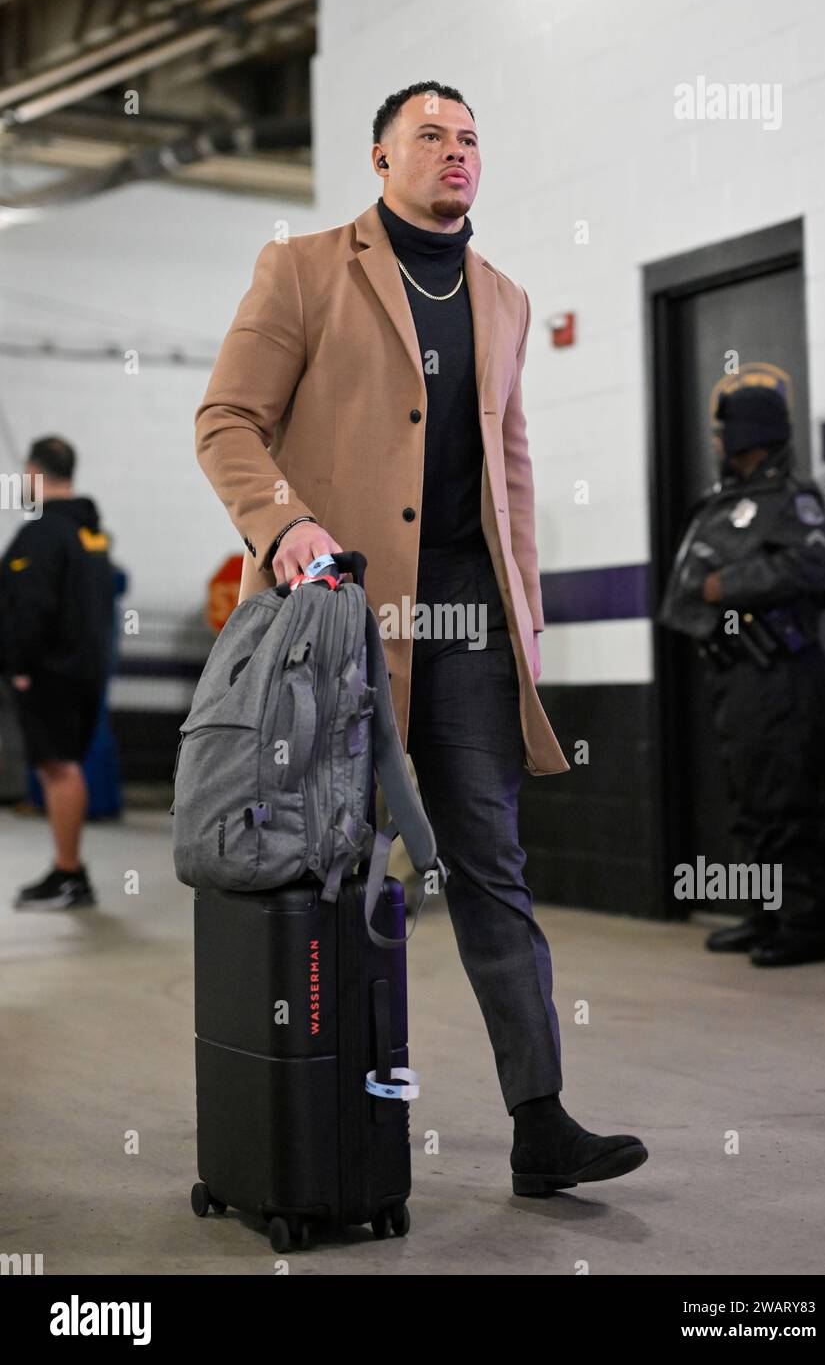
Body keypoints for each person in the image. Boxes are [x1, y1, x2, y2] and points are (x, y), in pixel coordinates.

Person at [195, 80, 648, 1195]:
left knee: (491, 866)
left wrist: (524, 617)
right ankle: (319, 1123)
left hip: (467, 626)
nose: (456, 151)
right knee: (331, 860)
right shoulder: (304, 269)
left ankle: (539, 1121)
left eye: (470, 138)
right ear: (379, 159)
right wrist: (283, 522)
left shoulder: (501, 297)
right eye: (431, 136)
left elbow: (514, 465)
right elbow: (226, 421)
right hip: (338, 622)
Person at [659, 379, 825, 966]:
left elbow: (815, 563)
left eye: (722, 431)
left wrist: (727, 585)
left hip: (779, 674)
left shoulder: (790, 496)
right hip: (736, 677)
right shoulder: (728, 497)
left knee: (785, 799)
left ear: (747, 435)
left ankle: (802, 925)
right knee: (751, 800)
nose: (715, 441)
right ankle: (766, 915)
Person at [0, 436, 115, 909]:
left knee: (59, 768)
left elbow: (30, 603)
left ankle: (69, 874)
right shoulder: (90, 533)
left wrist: (20, 665)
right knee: (63, 766)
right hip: (84, 670)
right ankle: (70, 870)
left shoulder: (43, 533)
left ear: (34, 472)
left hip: (49, 672)